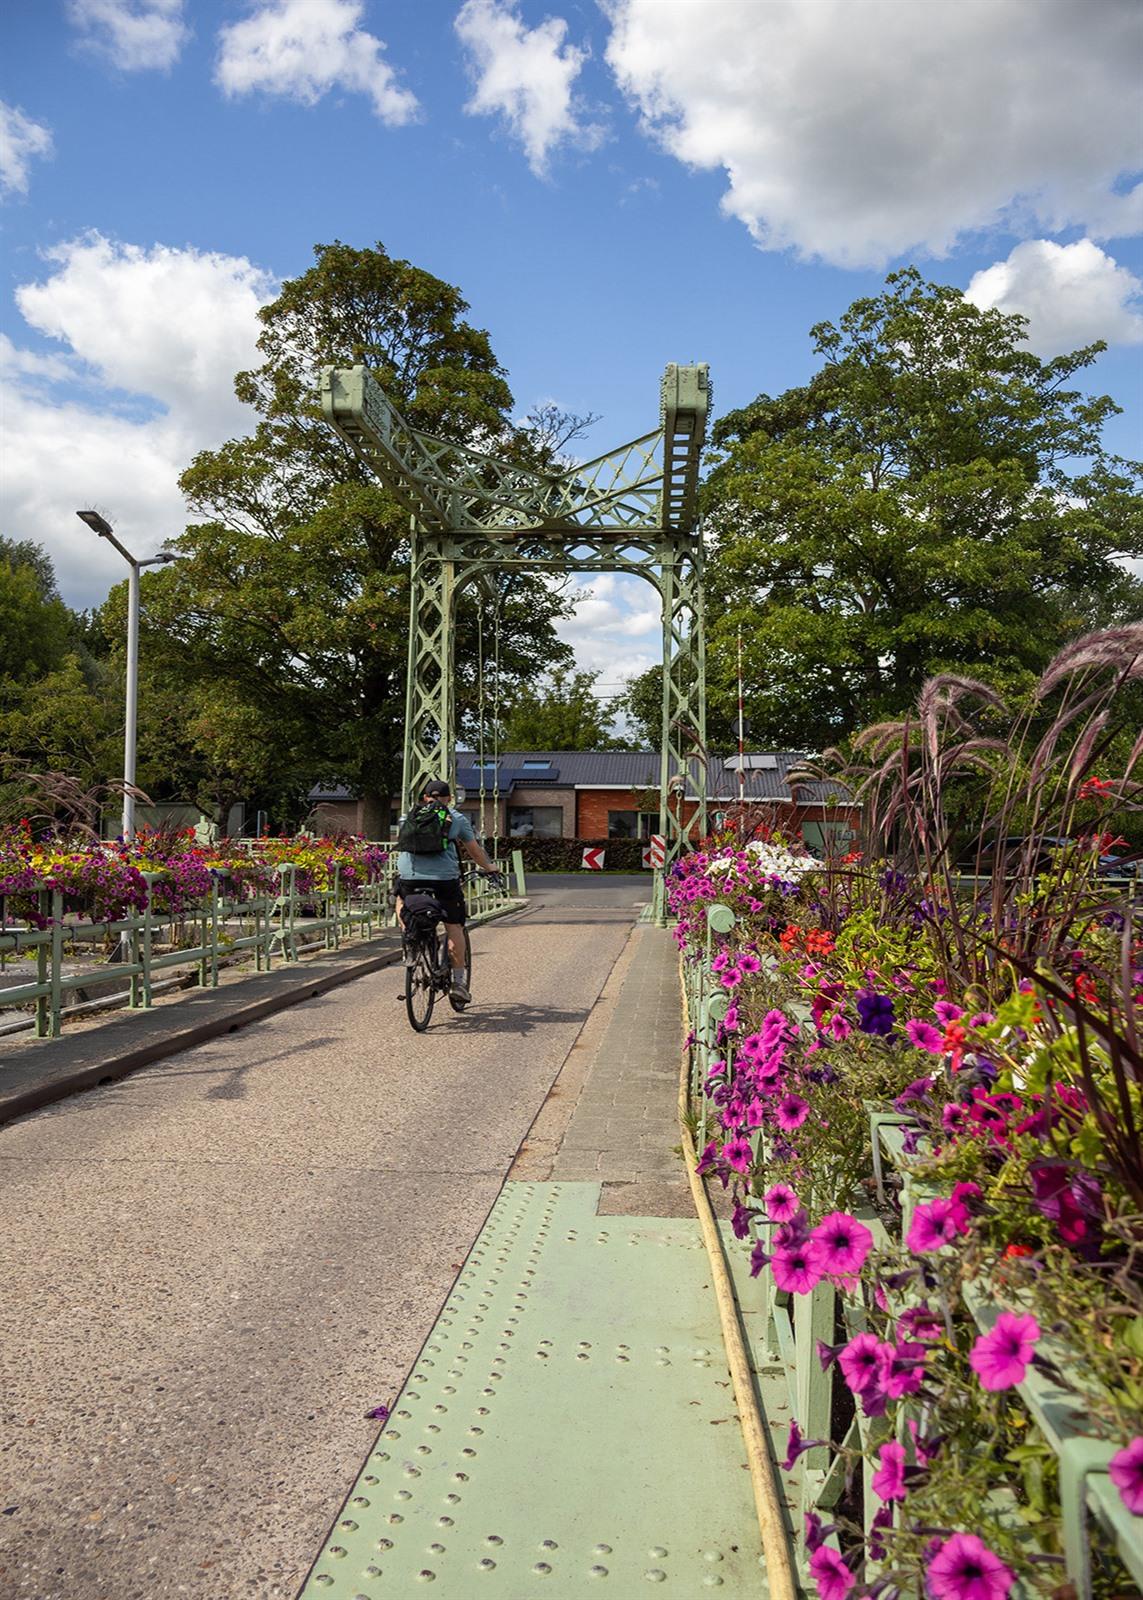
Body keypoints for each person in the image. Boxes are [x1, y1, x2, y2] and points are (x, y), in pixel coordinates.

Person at [395, 779, 501, 1005]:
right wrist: (489, 867)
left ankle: (410, 940)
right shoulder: (457, 818)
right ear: (450, 798)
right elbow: (474, 851)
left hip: (410, 875)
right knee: (454, 927)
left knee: (401, 899)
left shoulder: (409, 815)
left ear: (425, 797)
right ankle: (459, 983)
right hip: (445, 879)